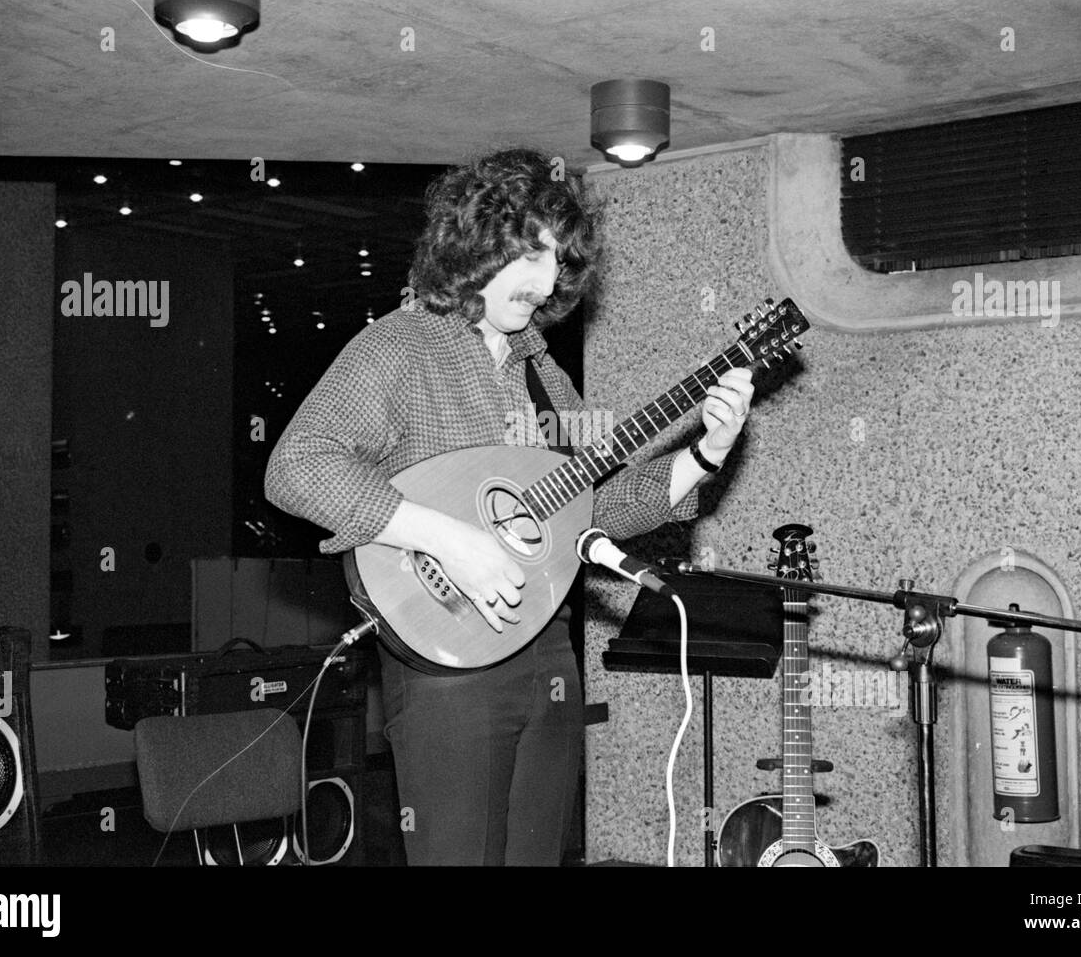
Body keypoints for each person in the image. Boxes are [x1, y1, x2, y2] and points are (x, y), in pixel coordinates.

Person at [264, 147, 752, 865]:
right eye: (529, 252)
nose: (545, 277)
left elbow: (592, 509)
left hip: (548, 651)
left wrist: (705, 453)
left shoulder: (544, 374)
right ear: (473, 244)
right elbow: (296, 468)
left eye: (557, 259)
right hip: (446, 665)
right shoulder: (400, 347)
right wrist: (445, 538)